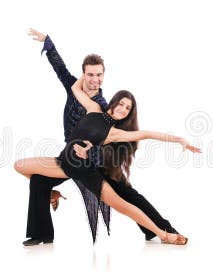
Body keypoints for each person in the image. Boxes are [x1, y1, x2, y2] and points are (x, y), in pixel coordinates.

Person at [22, 29, 182, 246]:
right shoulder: (74, 90)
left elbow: (111, 132)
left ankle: (163, 230)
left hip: (95, 162)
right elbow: (59, 68)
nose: (95, 79)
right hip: (68, 158)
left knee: (128, 195)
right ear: (83, 74)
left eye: (99, 75)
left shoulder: (103, 105)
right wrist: (48, 42)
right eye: (90, 74)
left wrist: (89, 150)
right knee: (39, 182)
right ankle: (42, 233)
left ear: (104, 76)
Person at [15, 78, 197, 245]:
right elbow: (74, 88)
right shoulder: (93, 108)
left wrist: (180, 140)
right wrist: (89, 73)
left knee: (123, 206)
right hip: (62, 164)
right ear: (114, 102)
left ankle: (164, 234)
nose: (123, 109)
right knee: (20, 166)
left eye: (127, 108)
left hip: (86, 172)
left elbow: (148, 134)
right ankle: (50, 198)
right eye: (122, 104)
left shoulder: (115, 133)